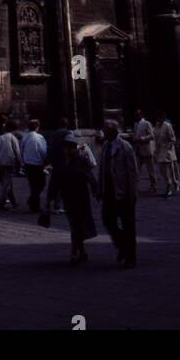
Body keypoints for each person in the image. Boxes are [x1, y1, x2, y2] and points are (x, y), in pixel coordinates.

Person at [97, 119, 138, 267]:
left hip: (122, 192)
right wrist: (99, 188)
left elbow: (132, 173)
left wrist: (132, 193)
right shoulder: (106, 146)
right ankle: (122, 244)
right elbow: (102, 169)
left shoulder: (125, 147)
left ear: (114, 131)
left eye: (106, 130)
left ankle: (131, 257)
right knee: (107, 220)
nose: (103, 132)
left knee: (128, 225)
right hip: (108, 191)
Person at [59, 134, 97, 265]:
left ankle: (74, 252)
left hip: (81, 197)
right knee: (75, 226)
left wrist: (96, 191)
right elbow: (57, 180)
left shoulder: (81, 161)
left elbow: (90, 177)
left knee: (77, 226)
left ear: (75, 148)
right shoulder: (63, 162)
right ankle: (82, 252)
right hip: (68, 198)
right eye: (66, 147)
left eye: (70, 147)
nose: (68, 150)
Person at [0, 119, 21, 211]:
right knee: (7, 184)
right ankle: (2, 203)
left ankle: (14, 202)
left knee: (8, 182)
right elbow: (17, 152)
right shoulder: (13, 138)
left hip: (0, 163)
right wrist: (19, 163)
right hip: (9, 162)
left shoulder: (0, 138)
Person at [20, 119, 48, 213]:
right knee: (41, 183)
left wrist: (23, 161)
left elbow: (21, 149)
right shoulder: (39, 137)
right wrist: (45, 160)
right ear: (37, 127)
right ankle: (33, 201)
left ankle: (34, 204)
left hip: (28, 163)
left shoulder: (25, 137)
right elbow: (43, 150)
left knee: (32, 184)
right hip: (37, 163)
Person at [47, 118, 71, 214]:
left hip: (55, 162)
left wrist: (49, 160)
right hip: (64, 162)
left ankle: (48, 204)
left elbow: (50, 148)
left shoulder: (53, 134)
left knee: (54, 184)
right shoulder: (68, 133)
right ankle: (59, 205)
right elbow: (71, 147)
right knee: (63, 185)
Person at [153, 113, 179, 197]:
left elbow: (173, 139)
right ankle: (168, 184)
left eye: (160, 118)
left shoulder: (167, 126)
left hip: (167, 151)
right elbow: (155, 138)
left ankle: (174, 183)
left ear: (163, 119)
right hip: (159, 151)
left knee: (171, 170)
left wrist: (168, 147)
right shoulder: (156, 126)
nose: (158, 120)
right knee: (162, 169)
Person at [133, 109, 157, 194]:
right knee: (136, 169)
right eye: (136, 114)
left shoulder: (147, 123)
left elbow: (152, 135)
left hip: (146, 149)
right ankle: (135, 186)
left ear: (142, 115)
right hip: (138, 149)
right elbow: (135, 134)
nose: (136, 116)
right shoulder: (135, 124)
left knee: (150, 170)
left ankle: (153, 186)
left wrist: (142, 138)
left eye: (138, 114)